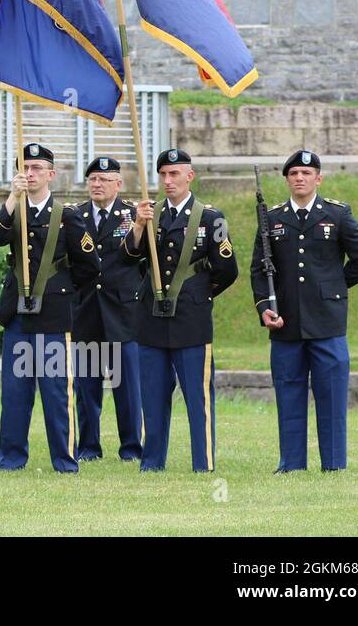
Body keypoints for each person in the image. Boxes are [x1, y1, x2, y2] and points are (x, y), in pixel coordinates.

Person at [252, 150, 358, 472]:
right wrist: (266, 307)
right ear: (287, 180)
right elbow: (258, 270)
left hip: (327, 323)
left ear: (318, 178)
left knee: (332, 397)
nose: (300, 178)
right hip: (286, 323)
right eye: (293, 174)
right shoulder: (273, 218)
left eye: (306, 173)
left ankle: (334, 464)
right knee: (289, 395)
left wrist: (334, 288)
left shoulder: (337, 214)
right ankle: (291, 464)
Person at [0, 143, 98, 473]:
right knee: (15, 394)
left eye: (37, 168)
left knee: (56, 394)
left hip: (53, 315)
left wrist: (62, 292)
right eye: (25, 167)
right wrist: (11, 197)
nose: (30, 173)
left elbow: (89, 267)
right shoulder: (14, 210)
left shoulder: (68, 216)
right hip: (18, 314)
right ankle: (11, 459)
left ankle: (64, 460)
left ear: (51, 174)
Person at [126, 148, 237, 472]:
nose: (167, 180)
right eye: (163, 174)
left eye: (174, 174)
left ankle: (203, 464)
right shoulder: (150, 214)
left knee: (197, 400)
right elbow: (128, 258)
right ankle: (152, 463)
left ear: (190, 176)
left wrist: (200, 295)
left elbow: (227, 269)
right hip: (151, 321)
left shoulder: (210, 217)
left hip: (191, 320)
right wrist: (137, 227)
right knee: (153, 397)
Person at [72, 156, 144, 462]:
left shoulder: (134, 215)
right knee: (86, 390)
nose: (97, 184)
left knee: (127, 389)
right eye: (92, 180)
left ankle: (131, 448)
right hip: (86, 311)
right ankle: (88, 447)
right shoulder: (74, 215)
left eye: (103, 179)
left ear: (119, 183)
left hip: (123, 314)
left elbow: (142, 259)